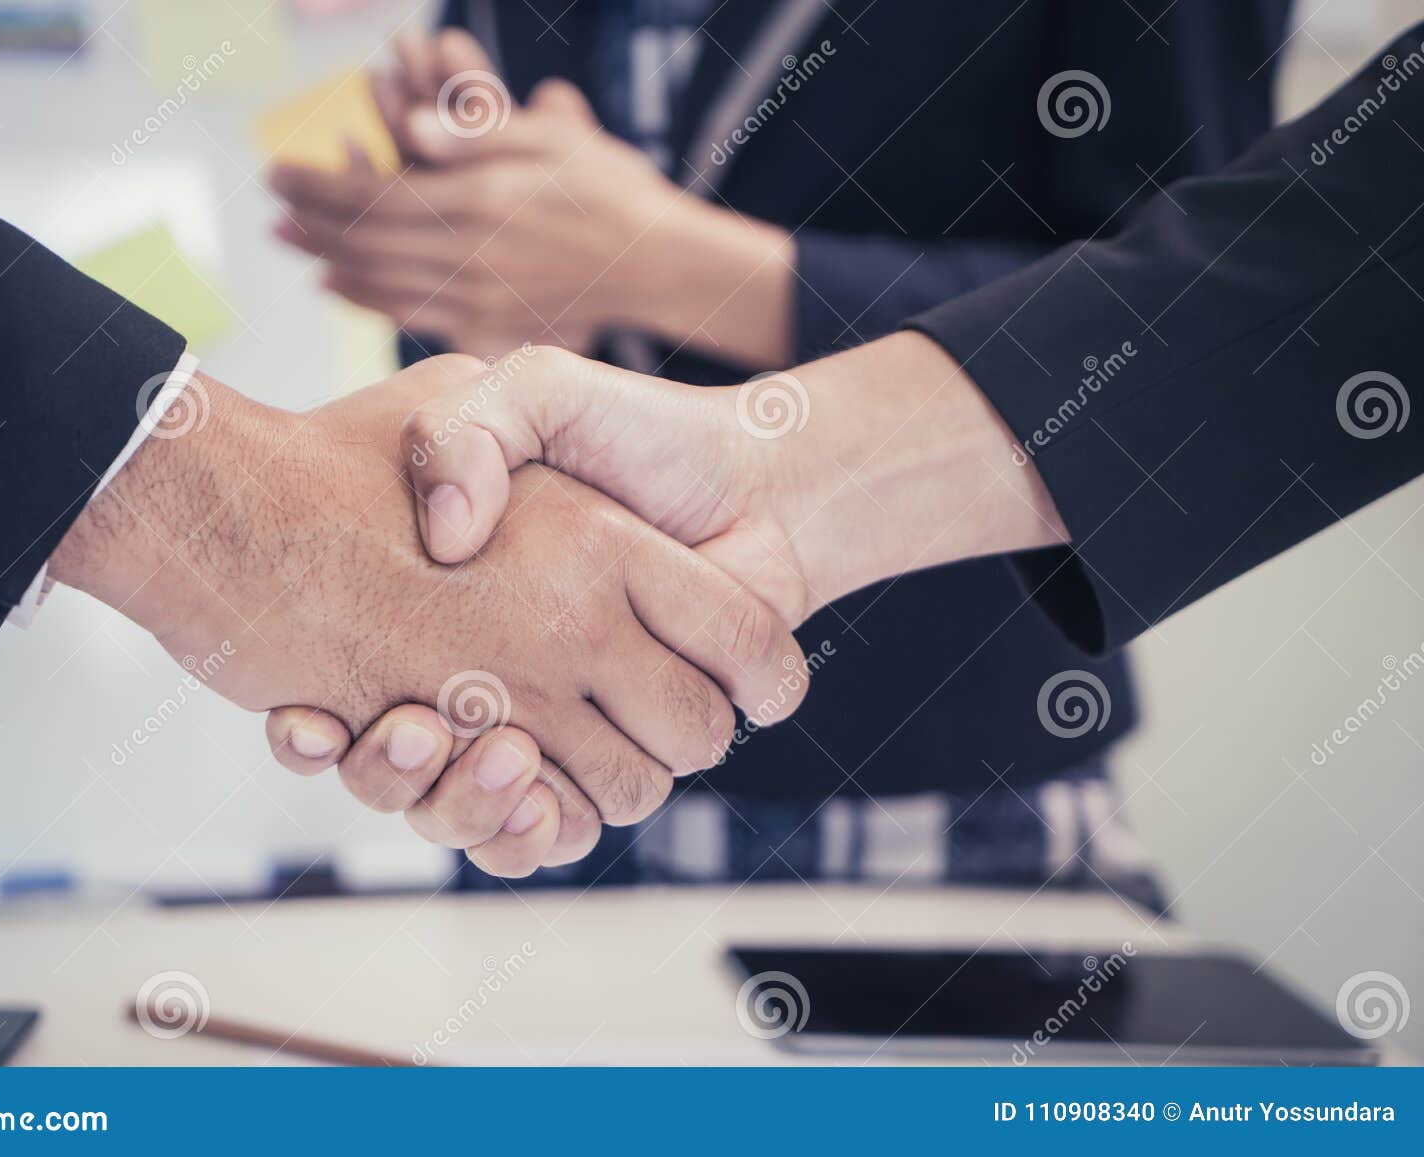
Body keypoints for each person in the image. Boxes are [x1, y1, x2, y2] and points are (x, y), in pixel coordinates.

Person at [287, 16, 1424, 873]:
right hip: (541, 774)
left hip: (935, 795)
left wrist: (659, 255)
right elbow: (529, 345)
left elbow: (1187, 306)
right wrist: (494, 306)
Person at [0, 121, 810, 879]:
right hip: (530, 816)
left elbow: (968, 337)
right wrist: (244, 522)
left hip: (887, 815)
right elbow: (453, 430)